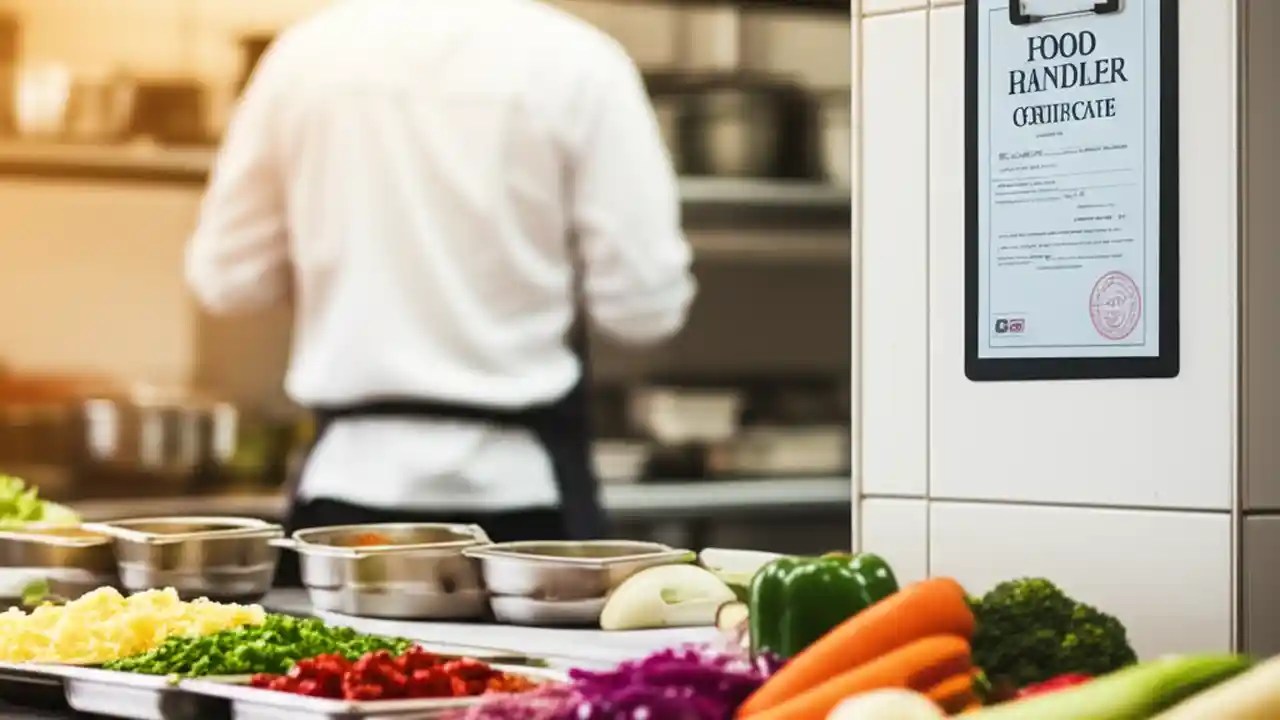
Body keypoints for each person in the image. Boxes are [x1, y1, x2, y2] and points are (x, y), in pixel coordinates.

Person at [185, 0, 695, 561]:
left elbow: (227, 279)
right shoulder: (582, 63)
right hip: (525, 501)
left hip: (347, 495)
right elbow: (645, 309)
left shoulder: (304, 58)